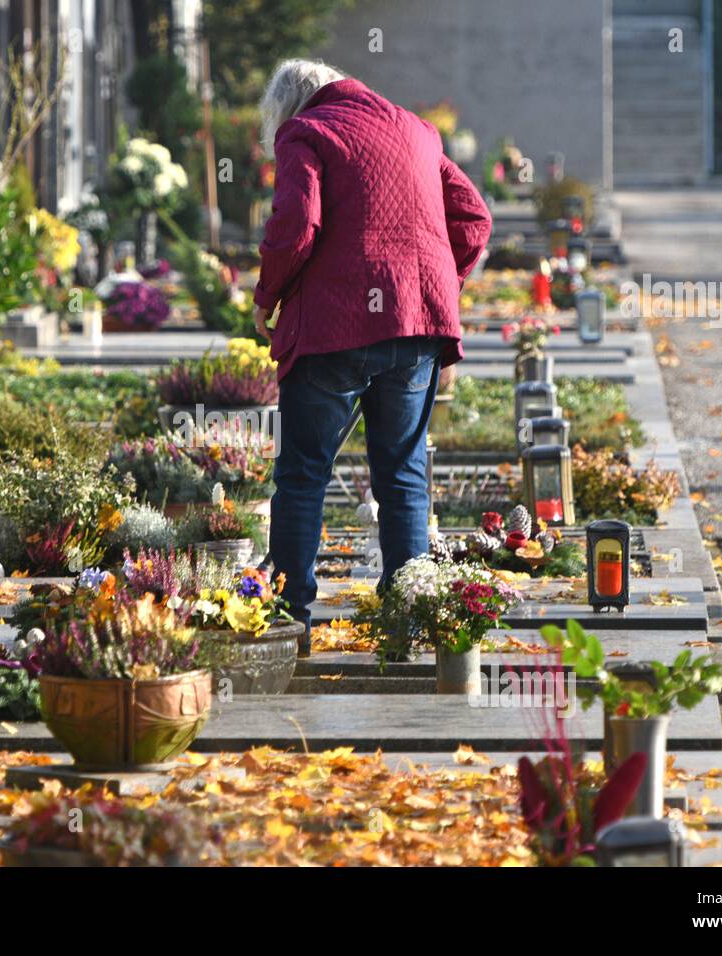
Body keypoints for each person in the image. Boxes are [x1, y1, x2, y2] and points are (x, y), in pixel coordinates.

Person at [253, 59, 492, 654]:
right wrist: (436, 285)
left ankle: (290, 621)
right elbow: (474, 219)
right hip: (415, 331)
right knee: (404, 475)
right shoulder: (417, 129)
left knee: (304, 475)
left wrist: (268, 296)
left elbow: (296, 225)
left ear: (288, 105)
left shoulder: (306, 132)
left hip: (334, 330)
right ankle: (408, 622)